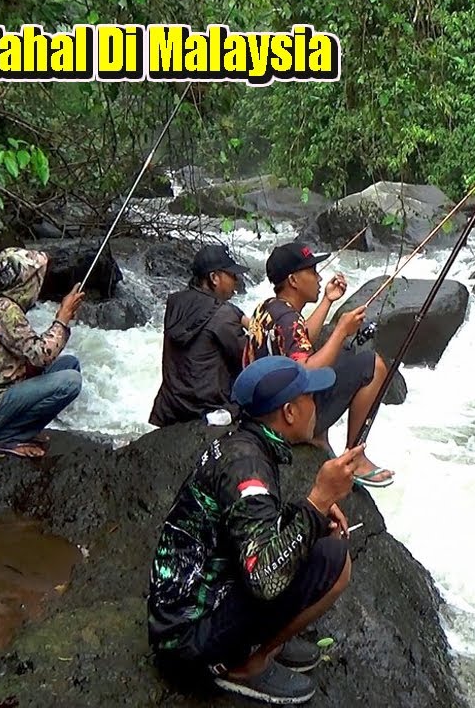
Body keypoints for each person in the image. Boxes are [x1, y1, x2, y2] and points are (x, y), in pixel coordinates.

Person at [147, 355, 365, 705]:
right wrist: (318, 501)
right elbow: (265, 580)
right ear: (289, 412)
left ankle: (261, 640)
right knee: (336, 560)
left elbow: (246, 524)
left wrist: (312, 514)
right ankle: (246, 664)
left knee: (318, 534)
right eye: (310, 397)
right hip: (187, 638)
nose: (317, 405)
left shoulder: (243, 443)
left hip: (188, 611)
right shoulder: (247, 466)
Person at [243, 241, 394, 488]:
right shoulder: (288, 318)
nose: (319, 277)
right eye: (312, 272)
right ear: (293, 280)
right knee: (373, 365)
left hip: (266, 411)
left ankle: (322, 438)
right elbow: (304, 373)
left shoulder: (269, 307)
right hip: (290, 418)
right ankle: (354, 457)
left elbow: (300, 340)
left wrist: (327, 301)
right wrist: (341, 330)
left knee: (341, 355)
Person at [0, 247, 85, 458]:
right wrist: (62, 318)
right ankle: (6, 438)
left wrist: (64, 318)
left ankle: (23, 429)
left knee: (70, 364)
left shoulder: (5, 306)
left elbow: (32, 355)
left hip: (3, 391)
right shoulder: (5, 311)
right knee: (71, 381)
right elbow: (41, 355)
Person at [149, 244, 251, 427]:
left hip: (171, 408)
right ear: (214, 278)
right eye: (231, 274)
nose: (236, 280)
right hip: (209, 410)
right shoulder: (223, 315)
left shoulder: (175, 303)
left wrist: (235, 313)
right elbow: (248, 358)